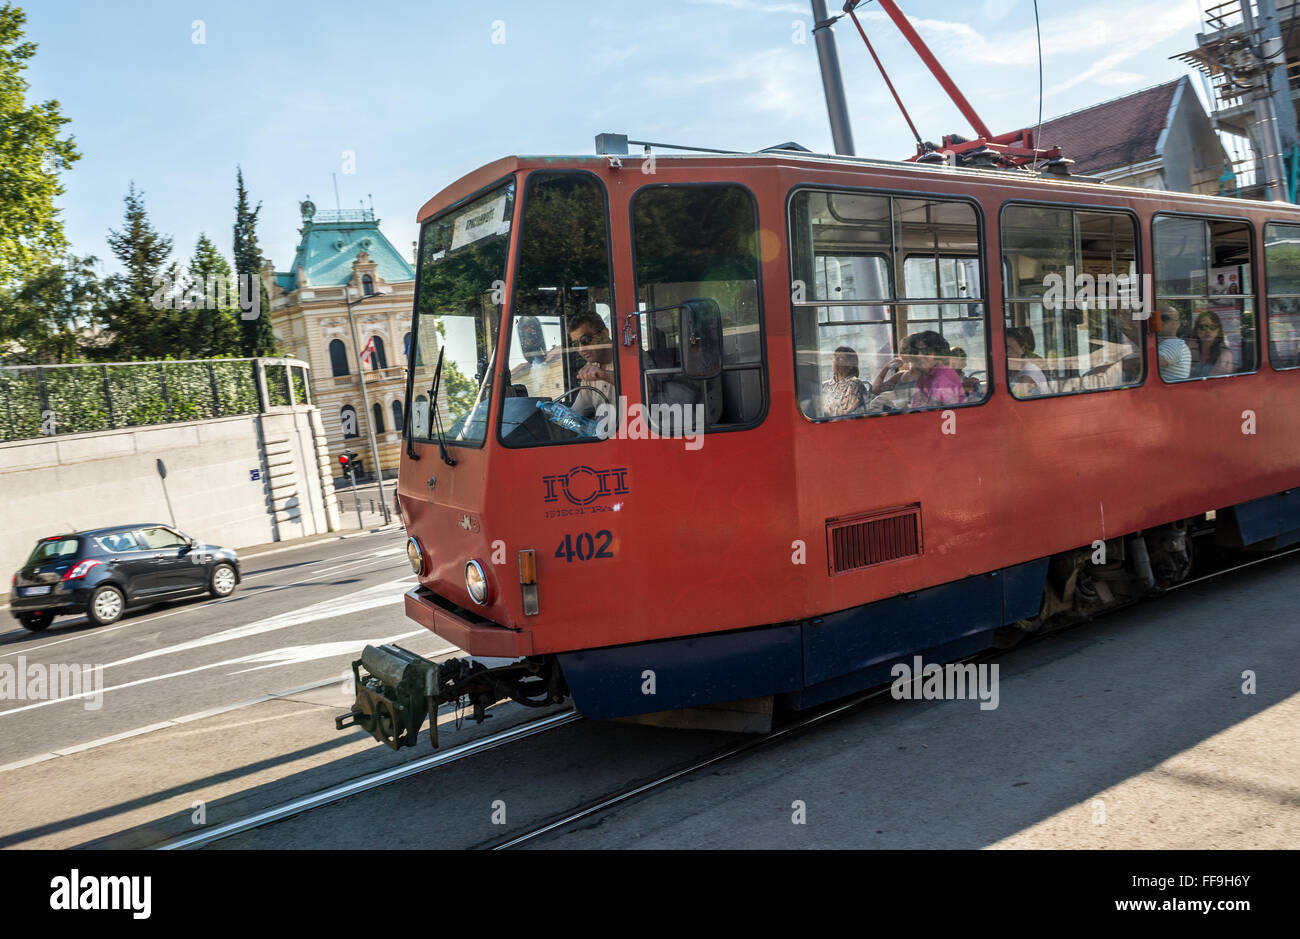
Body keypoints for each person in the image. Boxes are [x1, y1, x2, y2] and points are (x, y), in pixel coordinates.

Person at [871, 330, 964, 411]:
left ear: (938, 354)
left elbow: (936, 411)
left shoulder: (945, 376)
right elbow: (916, 407)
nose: (919, 356)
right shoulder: (924, 378)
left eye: (925, 352)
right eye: (915, 352)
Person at [566, 310, 615, 418]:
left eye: (585, 340)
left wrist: (604, 375)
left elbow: (648, 387)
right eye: (575, 344)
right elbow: (578, 410)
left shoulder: (632, 357)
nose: (581, 349)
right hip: (602, 432)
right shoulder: (591, 368)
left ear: (604, 334)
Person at [820, 346, 869, 417]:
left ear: (851, 365)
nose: (835, 360)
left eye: (840, 358)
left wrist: (822, 411)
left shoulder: (855, 384)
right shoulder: (824, 385)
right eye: (834, 357)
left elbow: (846, 413)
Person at [1005, 326, 1050, 397]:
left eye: (1008, 348)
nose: (1005, 353)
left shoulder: (1028, 376)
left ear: (1022, 349)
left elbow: (1014, 402)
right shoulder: (1013, 370)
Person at [1189, 310, 1235, 378]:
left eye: (1213, 327)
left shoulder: (1225, 354)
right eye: (1203, 327)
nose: (1208, 330)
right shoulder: (1189, 349)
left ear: (1218, 331)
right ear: (1197, 330)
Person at [1156, 307, 1191, 381]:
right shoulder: (1162, 343)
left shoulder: (1174, 344)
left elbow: (1152, 361)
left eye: (1164, 318)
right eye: (1155, 317)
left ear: (1177, 324)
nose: (1159, 321)